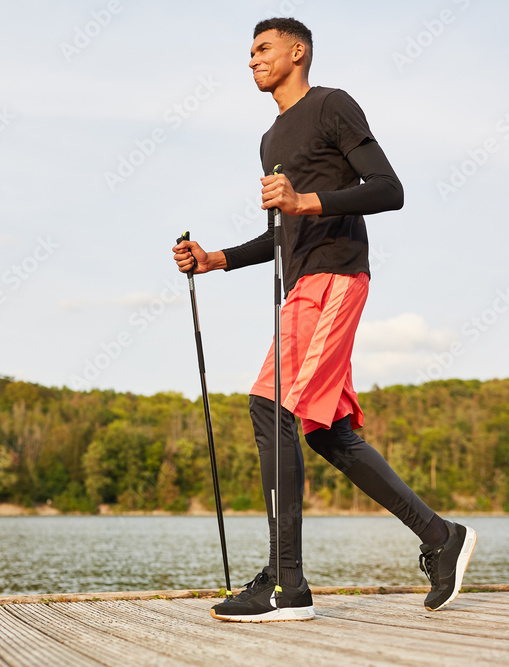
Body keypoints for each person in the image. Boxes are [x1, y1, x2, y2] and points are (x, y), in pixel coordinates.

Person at [172, 17, 476, 623]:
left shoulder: (332, 106)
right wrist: (216, 260)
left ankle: (288, 585)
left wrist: (307, 199)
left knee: (270, 404)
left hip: (335, 276)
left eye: (262, 48)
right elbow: (283, 231)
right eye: (249, 52)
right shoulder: (270, 139)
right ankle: (441, 537)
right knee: (324, 430)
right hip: (305, 282)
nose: (252, 60)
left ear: (297, 50)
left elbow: (389, 189)